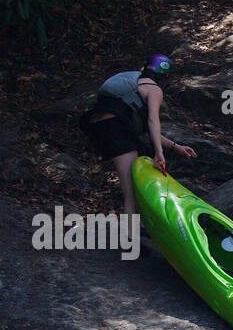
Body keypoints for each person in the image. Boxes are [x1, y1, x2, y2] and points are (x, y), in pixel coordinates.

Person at [78, 54, 197, 216]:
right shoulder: (154, 89)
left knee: (133, 182)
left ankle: (137, 226)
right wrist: (159, 153)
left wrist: (176, 147)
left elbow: (146, 131)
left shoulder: (133, 85)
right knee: (131, 190)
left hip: (98, 128)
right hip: (117, 131)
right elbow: (152, 121)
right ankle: (130, 235)